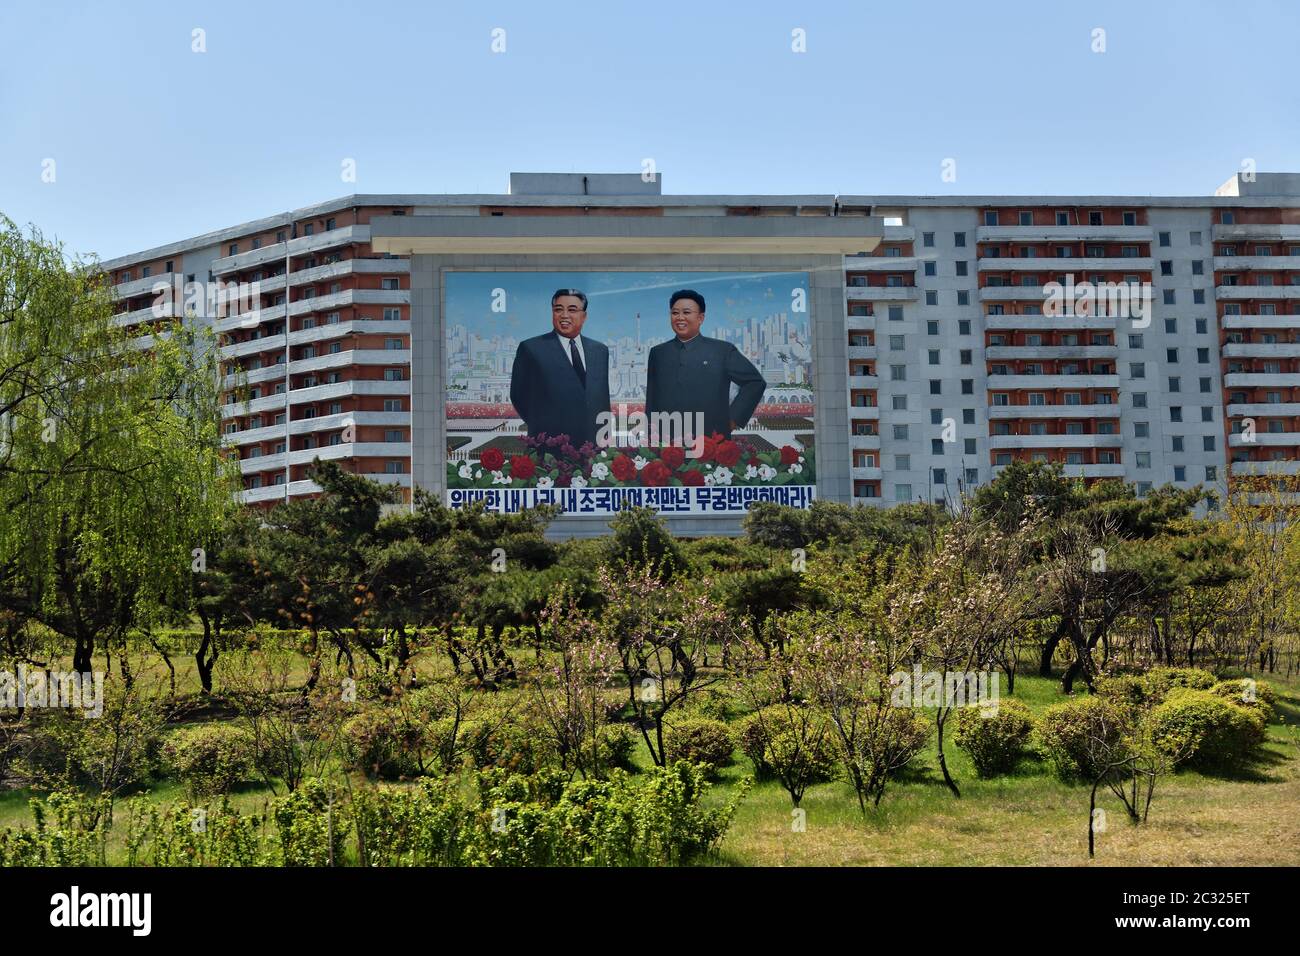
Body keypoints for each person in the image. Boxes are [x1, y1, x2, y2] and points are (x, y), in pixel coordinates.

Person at [644, 289, 765, 440]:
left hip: (711, 440)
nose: (680, 318)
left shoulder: (722, 350)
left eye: (686, 312)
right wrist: (650, 435)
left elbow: (755, 382)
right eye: (675, 313)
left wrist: (733, 419)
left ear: (700, 318)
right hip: (667, 441)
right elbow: (652, 399)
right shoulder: (658, 353)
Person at [508, 289, 610, 449]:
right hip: (550, 447)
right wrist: (544, 425)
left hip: (594, 448)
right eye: (558, 309)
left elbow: (602, 400)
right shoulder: (532, 349)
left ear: (584, 316)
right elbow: (518, 395)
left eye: (572, 310)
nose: (564, 315)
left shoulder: (600, 350)